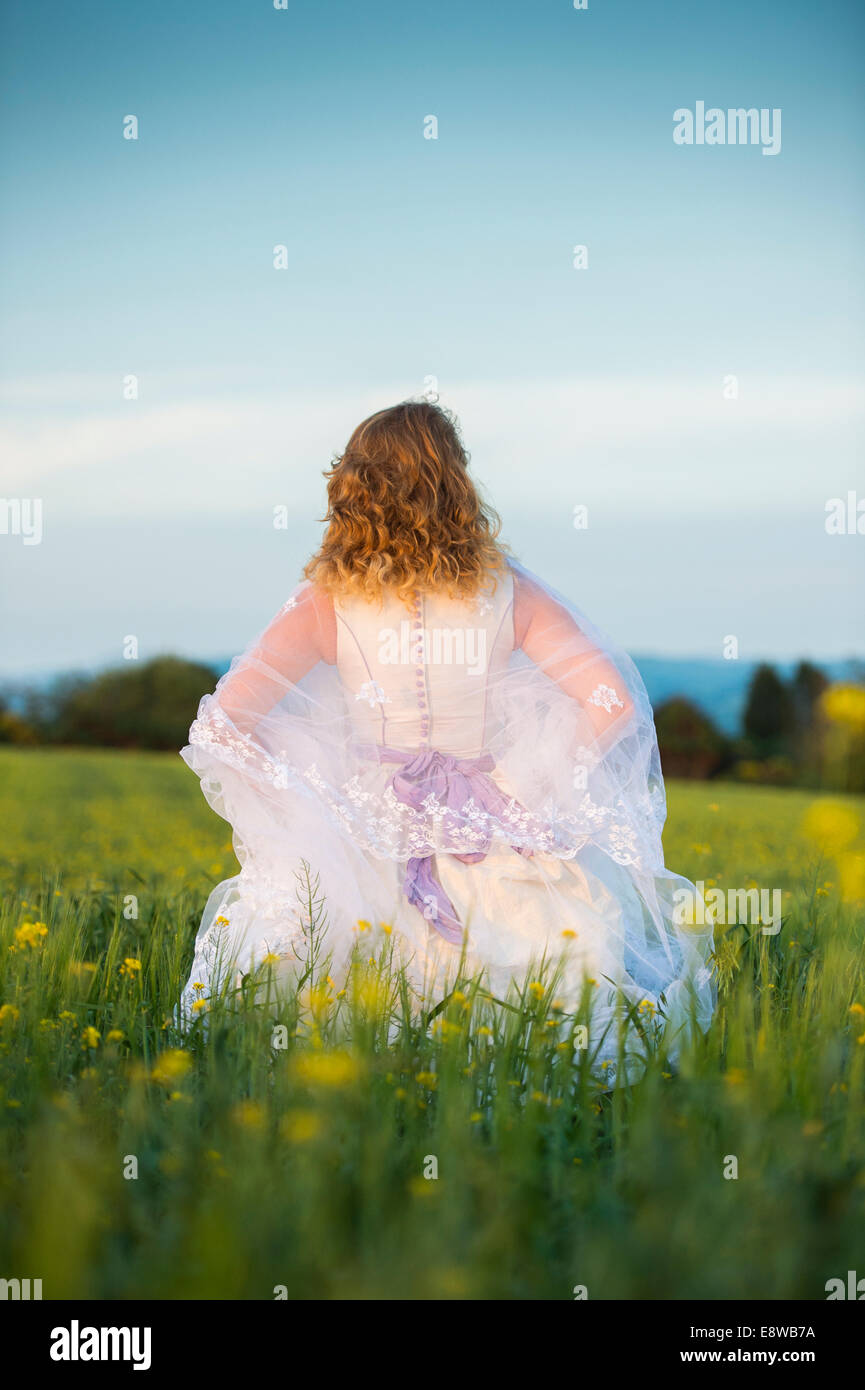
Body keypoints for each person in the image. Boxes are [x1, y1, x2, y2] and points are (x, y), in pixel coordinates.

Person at [180, 400, 714, 1070]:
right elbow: (612, 705)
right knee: (555, 984)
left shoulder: (325, 600)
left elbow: (223, 725)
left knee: (325, 977)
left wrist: (310, 812)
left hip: (367, 822)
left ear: (352, 487)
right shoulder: (509, 592)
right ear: (456, 483)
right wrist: (529, 788)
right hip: (491, 815)